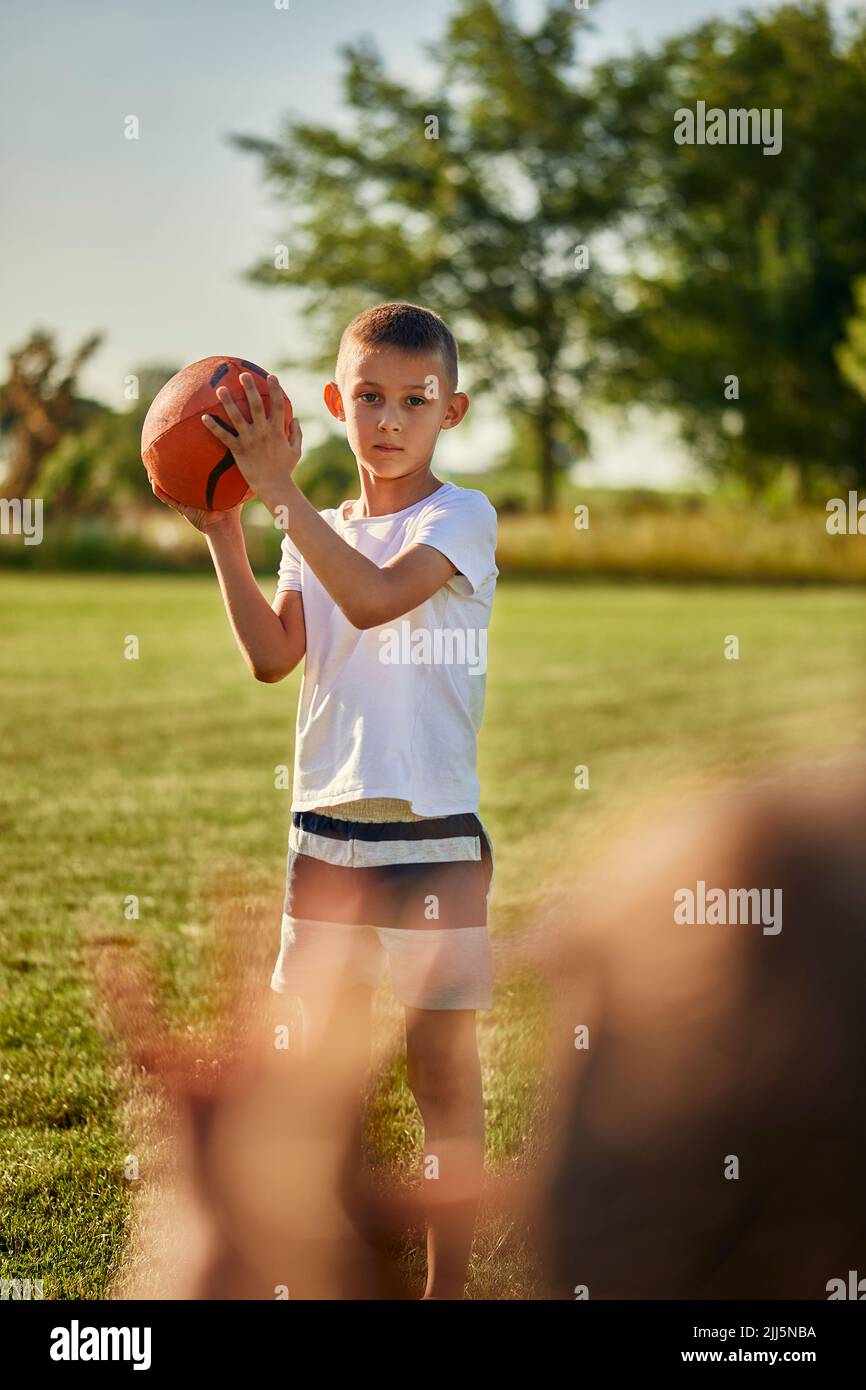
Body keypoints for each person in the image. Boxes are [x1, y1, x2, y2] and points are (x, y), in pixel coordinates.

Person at [150, 302, 499, 1300]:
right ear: (338, 403)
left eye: (415, 401)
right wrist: (226, 527)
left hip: (432, 836)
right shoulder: (316, 527)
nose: (390, 420)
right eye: (372, 398)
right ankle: (319, 1273)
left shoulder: (458, 516)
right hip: (325, 838)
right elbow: (273, 658)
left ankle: (446, 1291)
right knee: (313, 1082)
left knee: (440, 1074)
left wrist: (278, 496)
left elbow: (379, 596)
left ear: (451, 410)